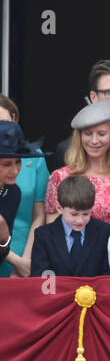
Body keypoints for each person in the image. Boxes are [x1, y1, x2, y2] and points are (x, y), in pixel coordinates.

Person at [43, 100, 110, 230]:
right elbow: (53, 231)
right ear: (79, 137)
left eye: (101, 134)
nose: (94, 141)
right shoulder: (61, 177)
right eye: (88, 134)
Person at [0, 95, 50, 277]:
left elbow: (39, 215)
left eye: (18, 162)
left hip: (22, 251)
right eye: (7, 164)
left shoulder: (13, 192)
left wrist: (22, 262)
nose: (15, 170)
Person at [31, 175, 110, 277]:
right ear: (59, 208)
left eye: (86, 214)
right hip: (56, 292)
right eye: (74, 214)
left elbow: (107, 274)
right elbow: (42, 276)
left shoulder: (105, 233)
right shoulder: (43, 235)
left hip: (94, 292)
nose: (80, 220)